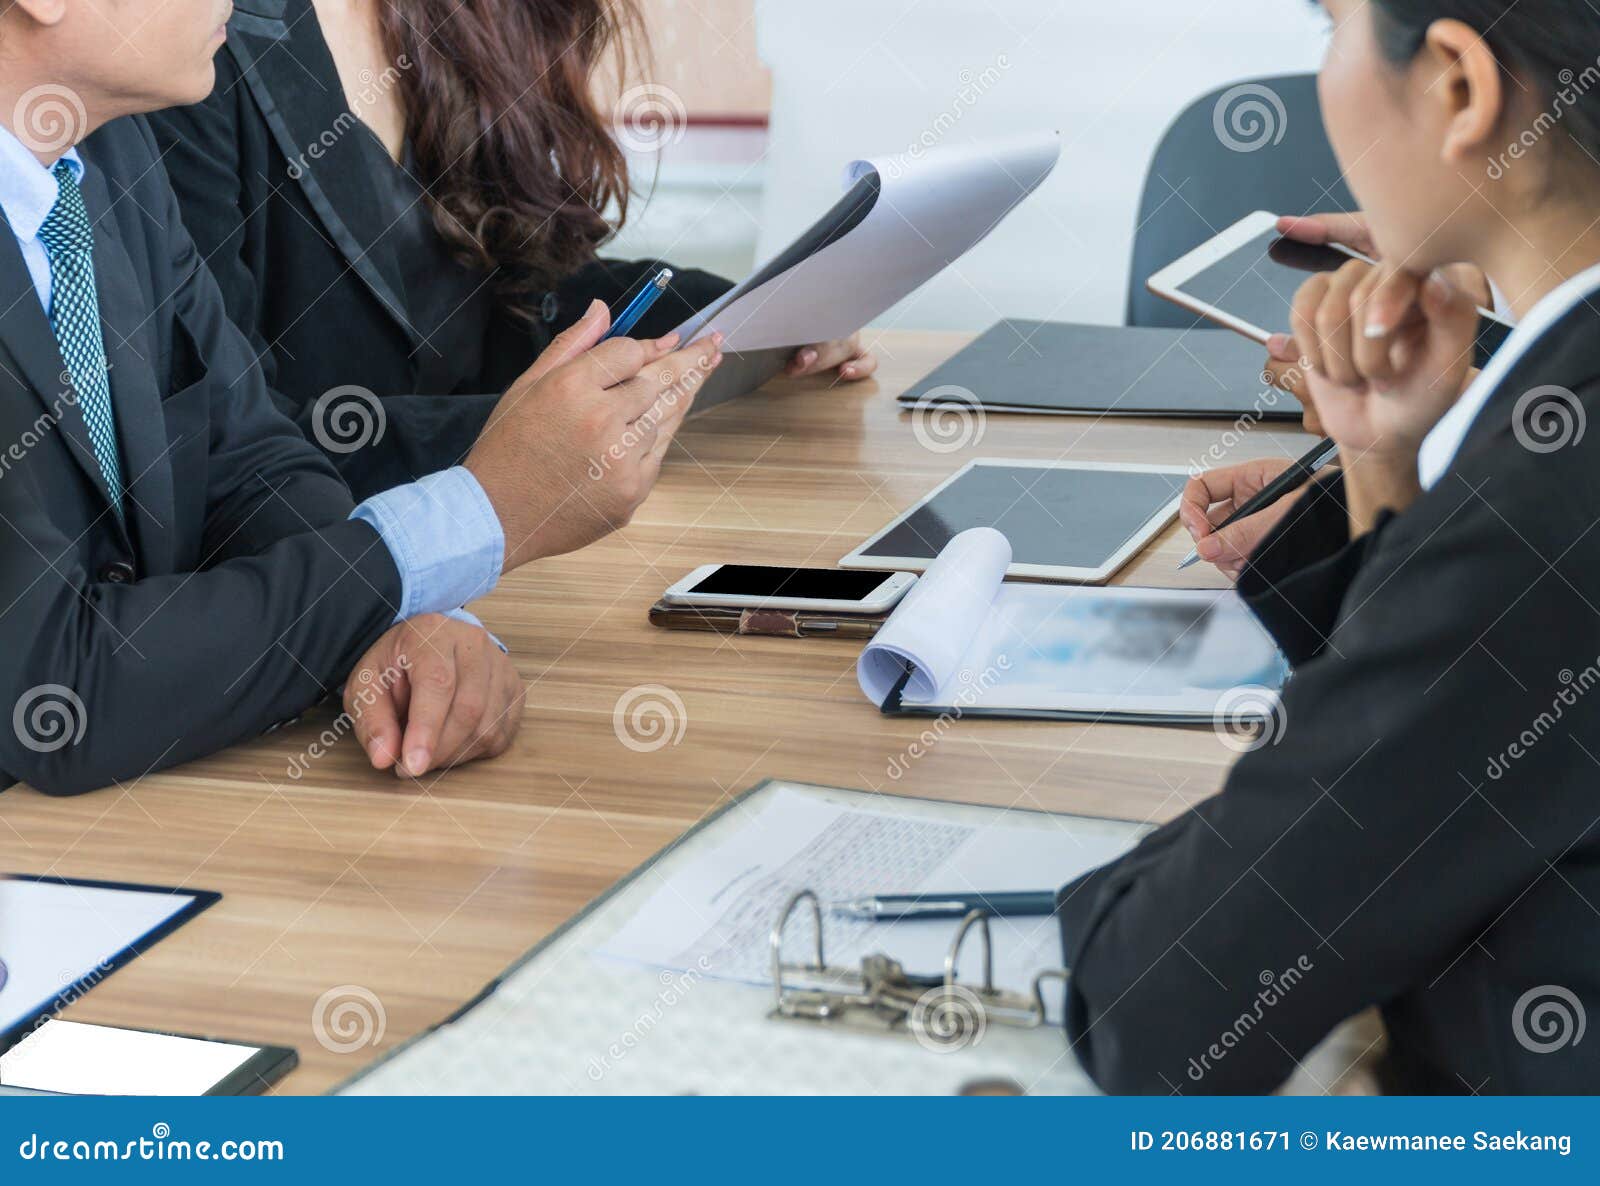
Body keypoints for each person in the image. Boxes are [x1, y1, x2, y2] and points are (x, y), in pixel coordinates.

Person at [1061, 0, 1600, 1093]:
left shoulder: (1546, 502)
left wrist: (1133, 887)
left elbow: (1157, 1004)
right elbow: (1416, 779)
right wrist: (1386, 465)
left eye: (1331, 28)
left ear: (1458, 84)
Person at [0, 0, 722, 796]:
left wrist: (409, 619)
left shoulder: (104, 156)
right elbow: (62, 691)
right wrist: (485, 514)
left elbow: (247, 463)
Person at [145, 0, 876, 499]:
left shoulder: (463, 21)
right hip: (334, 566)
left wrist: (757, 313)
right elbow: (227, 432)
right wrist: (529, 437)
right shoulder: (183, 42)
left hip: (506, 548)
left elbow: (516, 284)